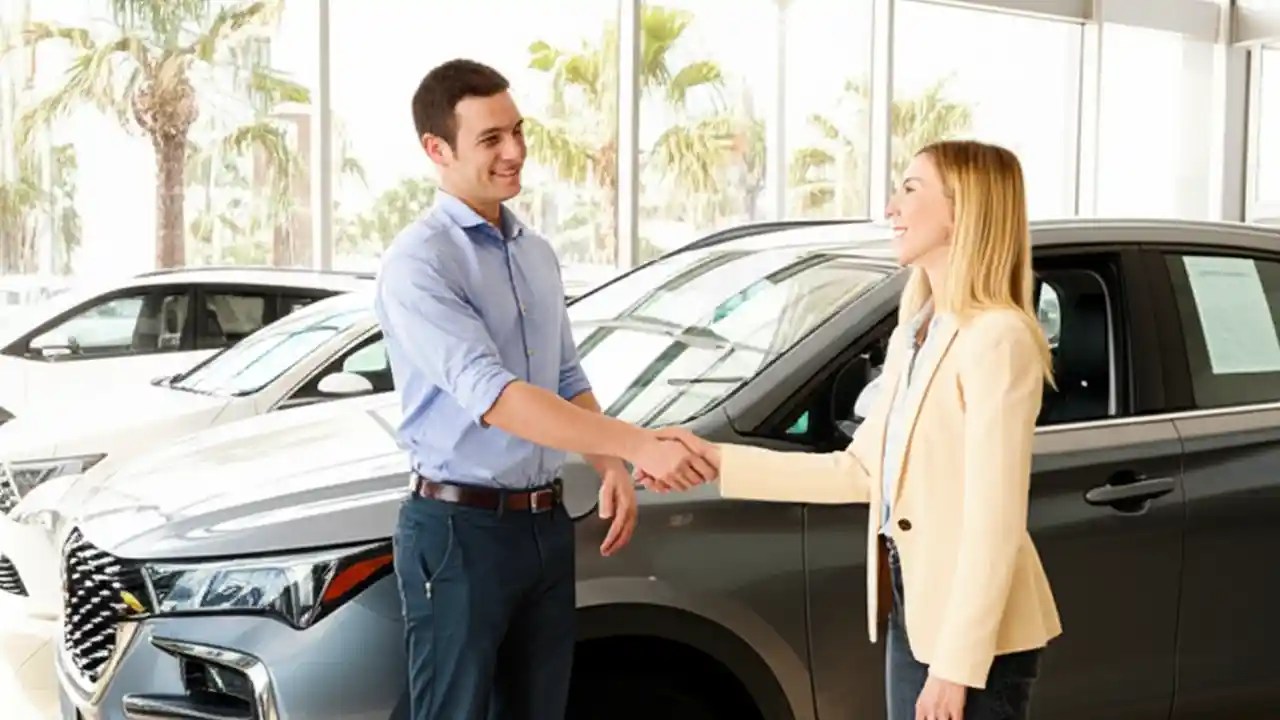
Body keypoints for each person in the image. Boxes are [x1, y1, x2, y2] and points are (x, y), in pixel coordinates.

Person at [651, 140, 1062, 720]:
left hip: (972, 637)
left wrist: (954, 668)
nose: (892, 206)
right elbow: (860, 470)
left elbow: (994, 522)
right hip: (918, 613)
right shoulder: (917, 331)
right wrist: (719, 460)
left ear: (962, 209)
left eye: (910, 189)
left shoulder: (998, 338)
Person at [374, 58, 715, 720]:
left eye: (518, 131)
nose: (515, 152)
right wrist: (642, 444)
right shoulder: (419, 262)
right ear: (436, 150)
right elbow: (497, 398)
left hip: (543, 526)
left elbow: (563, 375)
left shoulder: (533, 251)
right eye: (491, 139)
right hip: (457, 531)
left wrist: (608, 461)